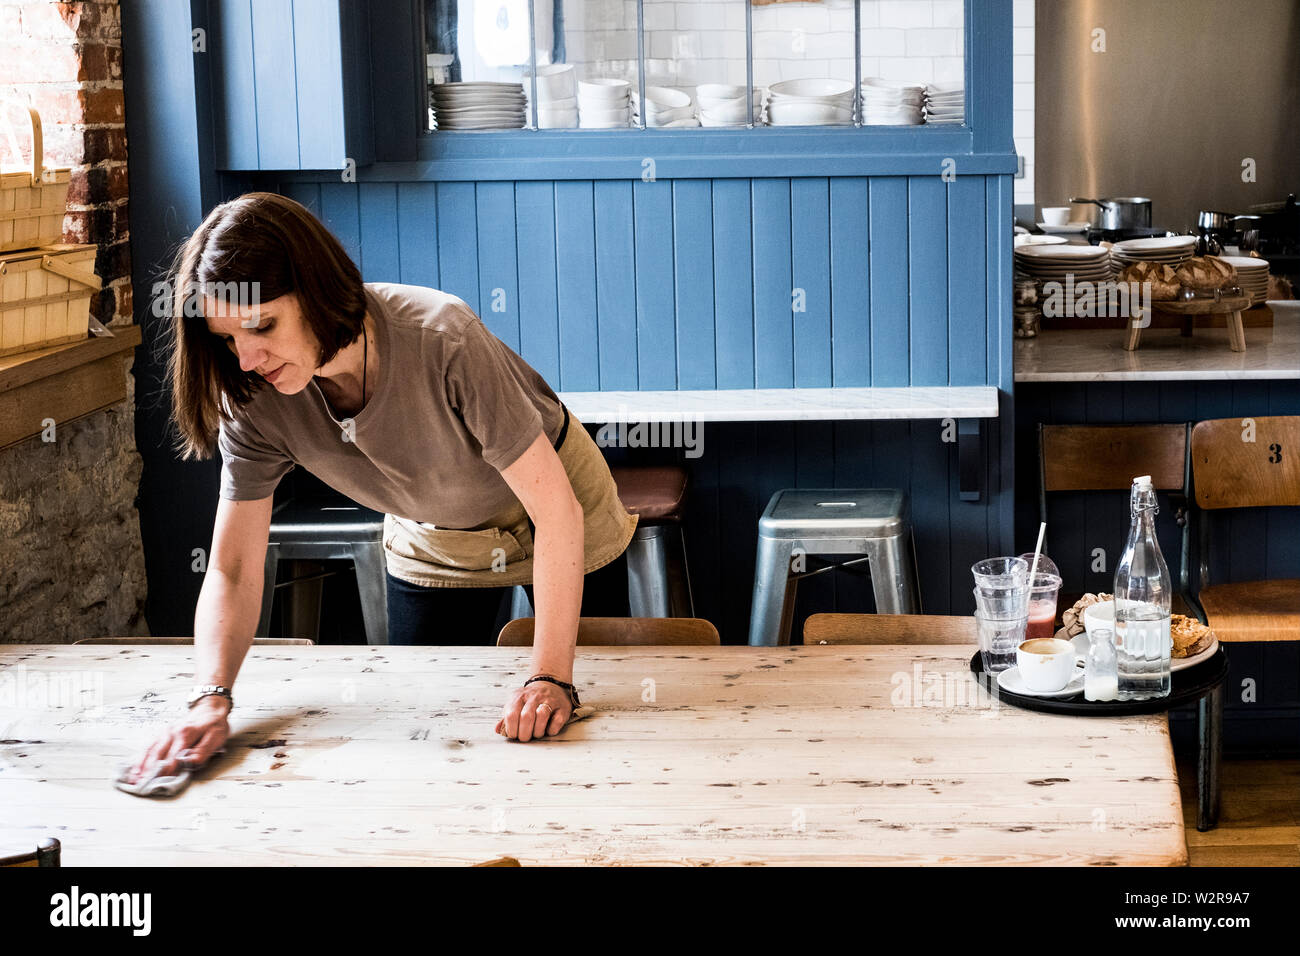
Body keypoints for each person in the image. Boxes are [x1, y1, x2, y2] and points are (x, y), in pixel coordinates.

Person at [125, 192, 637, 784]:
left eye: (262, 325)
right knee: (433, 725)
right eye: (226, 339)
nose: (246, 358)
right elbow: (235, 567)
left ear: (317, 290)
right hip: (435, 532)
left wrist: (549, 677)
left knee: (595, 725)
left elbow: (556, 512)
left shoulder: (443, 336)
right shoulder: (251, 398)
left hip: (562, 508)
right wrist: (211, 696)